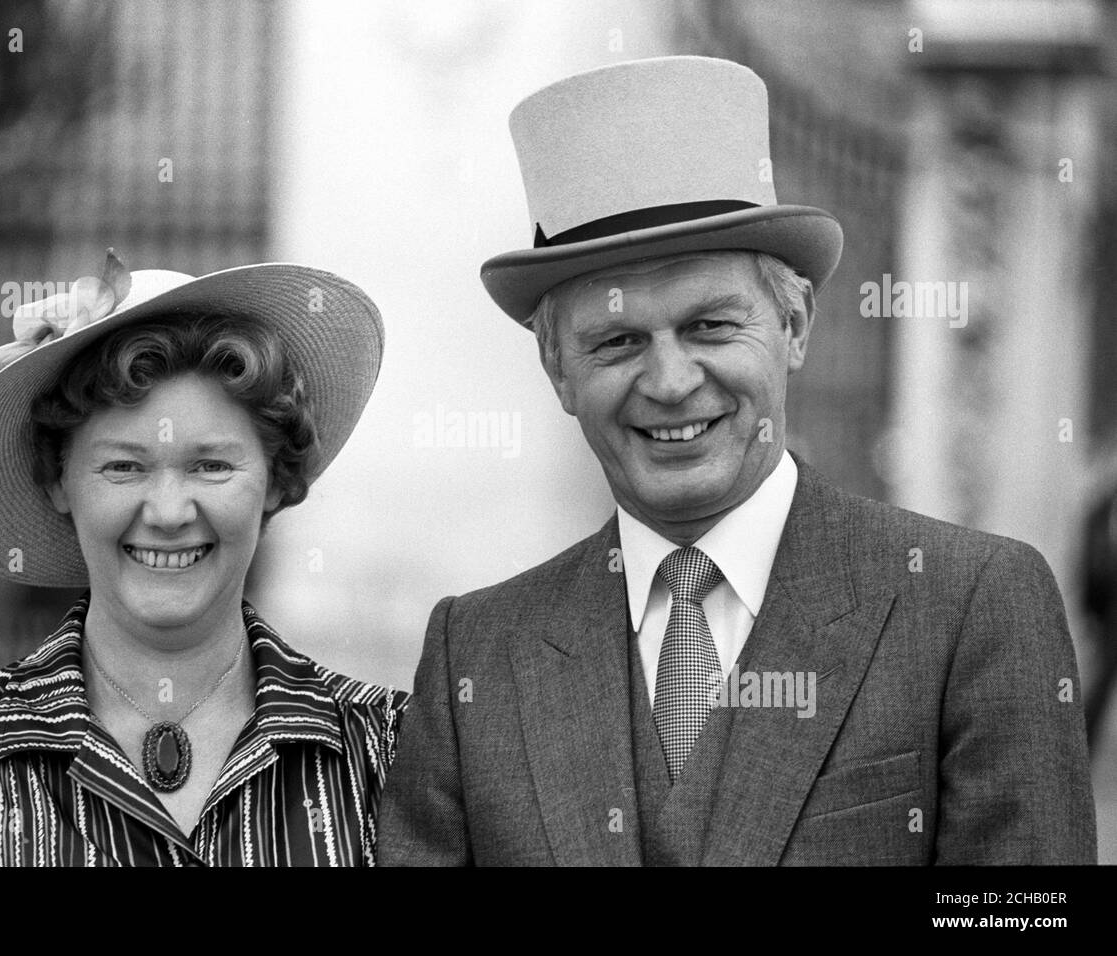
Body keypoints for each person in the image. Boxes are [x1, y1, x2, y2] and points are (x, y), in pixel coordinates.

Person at [378, 56, 1097, 866]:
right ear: (558, 371)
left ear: (794, 325)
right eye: (617, 342)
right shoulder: (476, 656)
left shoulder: (972, 607)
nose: (671, 381)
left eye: (712, 327)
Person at [0, 252, 405, 866]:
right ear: (59, 482)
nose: (166, 511)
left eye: (211, 465)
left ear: (273, 479)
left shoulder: (390, 751)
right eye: (123, 466)